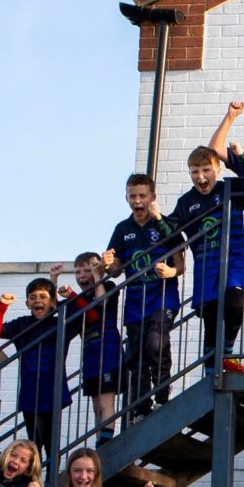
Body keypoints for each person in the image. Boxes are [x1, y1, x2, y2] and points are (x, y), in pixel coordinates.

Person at [168, 104, 244, 368]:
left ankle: (225, 352)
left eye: (206, 170)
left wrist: (242, 157)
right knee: (211, 317)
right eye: (195, 172)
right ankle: (212, 368)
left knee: (235, 307)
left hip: (234, 261)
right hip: (206, 267)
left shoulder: (230, 189)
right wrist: (157, 217)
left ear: (218, 170)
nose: (201, 177)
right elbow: (170, 231)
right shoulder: (186, 202)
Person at [106, 173, 180, 417]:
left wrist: (170, 271)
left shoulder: (164, 224)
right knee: (137, 356)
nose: (137, 201)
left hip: (161, 298)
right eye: (132, 196)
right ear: (126, 198)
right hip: (136, 303)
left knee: (156, 343)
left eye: (142, 196)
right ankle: (141, 408)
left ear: (152, 197)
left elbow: (180, 265)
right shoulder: (122, 229)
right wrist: (108, 264)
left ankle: (161, 397)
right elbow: (116, 269)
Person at [0, 276, 75, 454]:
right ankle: (34, 479)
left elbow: (81, 312)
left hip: (54, 389)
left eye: (43, 296)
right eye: (33, 297)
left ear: (52, 301)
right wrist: (2, 306)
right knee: (34, 443)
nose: (37, 300)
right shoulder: (22, 324)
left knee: (52, 444)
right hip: (30, 392)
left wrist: (65, 296)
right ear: (27, 303)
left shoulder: (61, 321)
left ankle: (51, 481)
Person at [67, 250, 126, 436]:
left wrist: (97, 274)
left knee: (105, 403)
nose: (81, 276)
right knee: (96, 406)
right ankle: (101, 439)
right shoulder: (78, 299)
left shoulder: (107, 285)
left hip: (108, 353)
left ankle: (106, 443)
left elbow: (101, 301)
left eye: (86, 271)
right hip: (90, 357)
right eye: (78, 272)